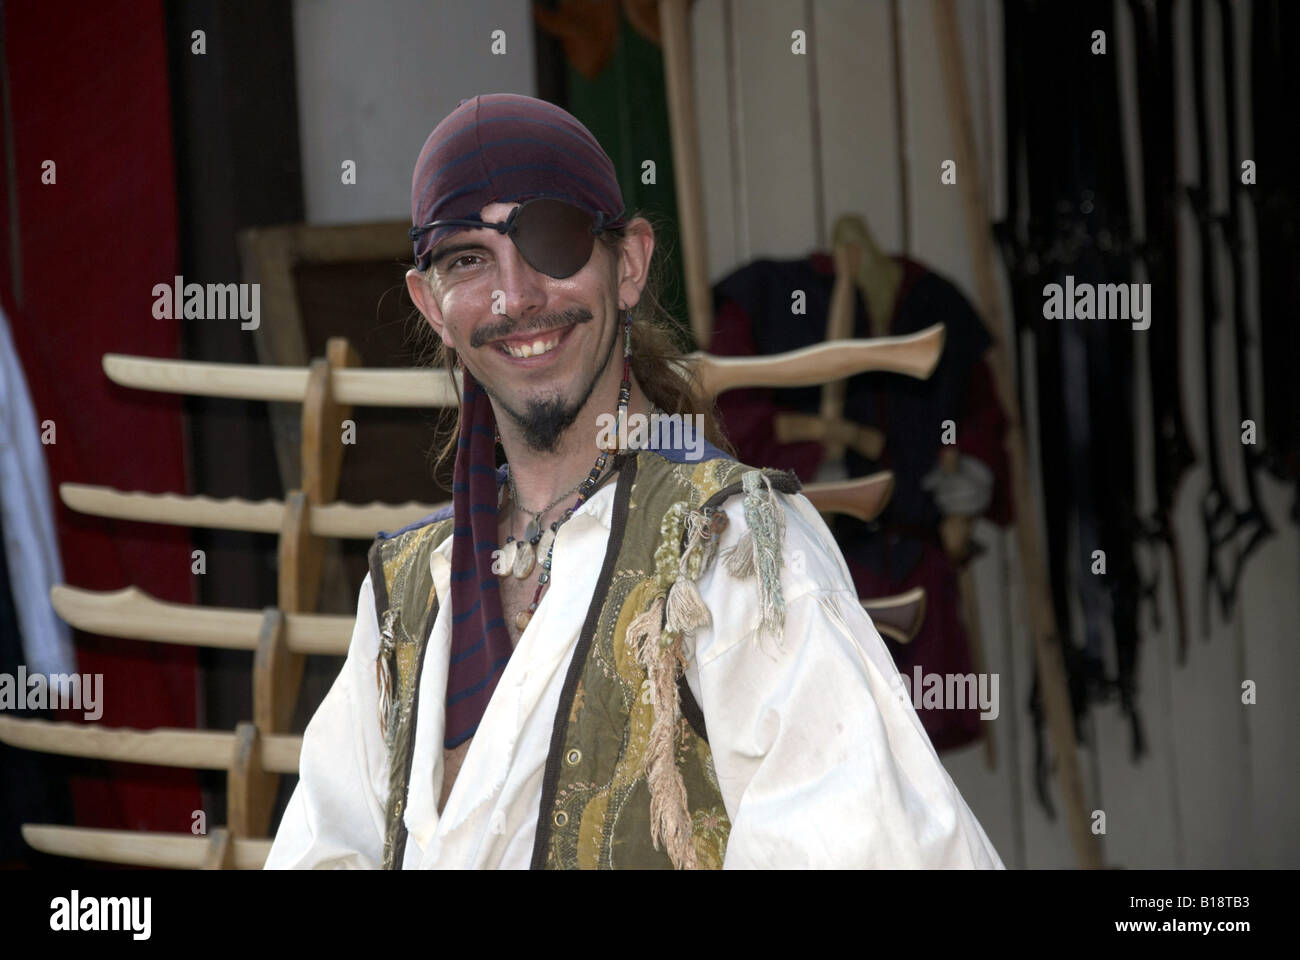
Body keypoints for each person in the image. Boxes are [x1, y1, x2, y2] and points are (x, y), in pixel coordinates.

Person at [264, 93, 1003, 869]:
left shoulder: (735, 552)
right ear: (433, 306)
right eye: (467, 260)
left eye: (551, 240)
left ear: (630, 265)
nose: (516, 298)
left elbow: (867, 850)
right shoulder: (407, 595)